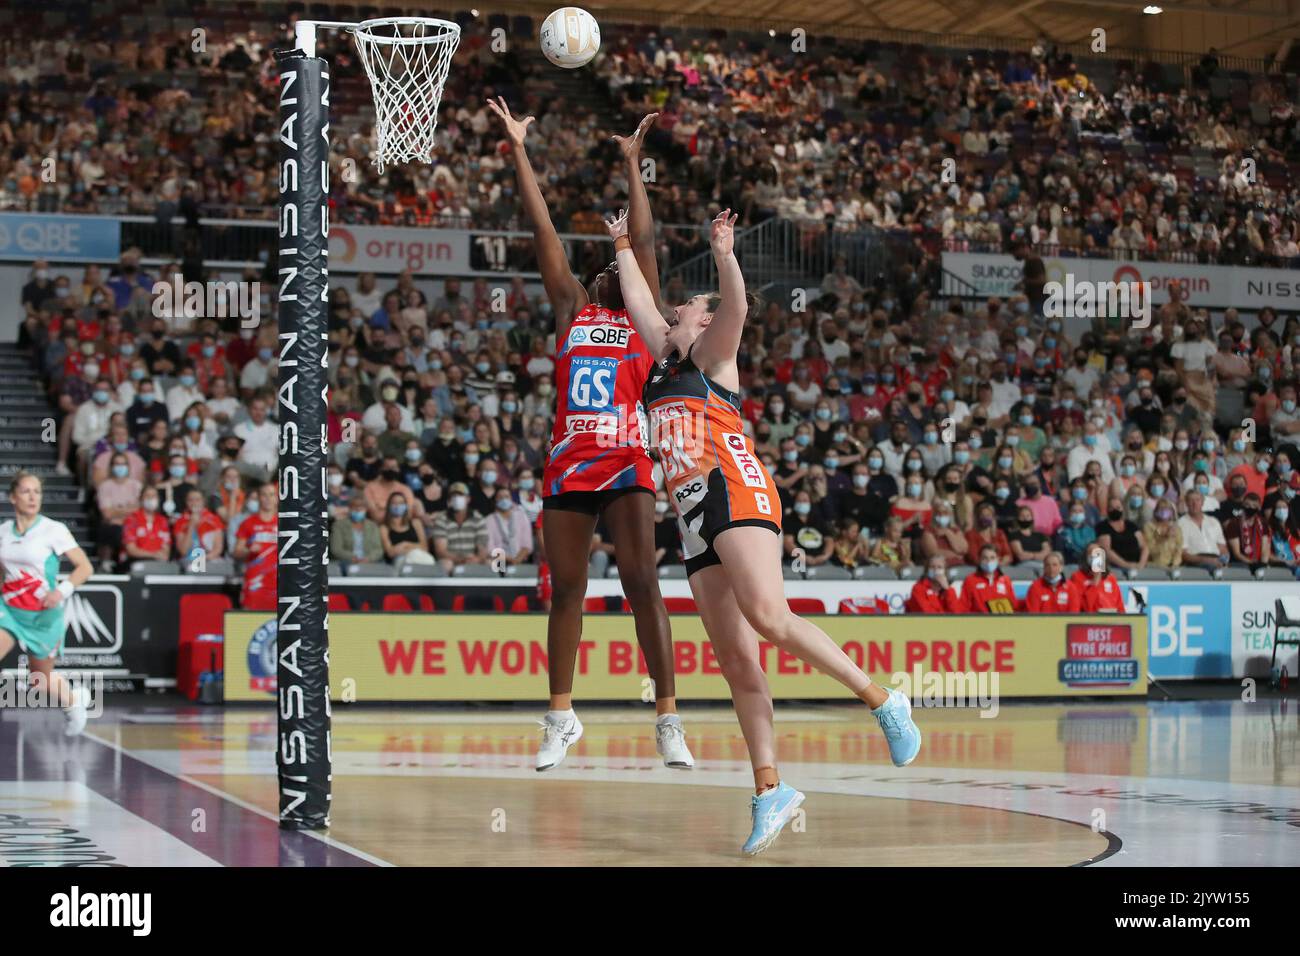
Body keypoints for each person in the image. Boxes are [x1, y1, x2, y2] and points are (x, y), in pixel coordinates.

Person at [607, 207, 920, 856]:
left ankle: (883, 699)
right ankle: (770, 789)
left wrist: (723, 254)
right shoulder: (662, 360)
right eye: (681, 309)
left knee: (770, 618)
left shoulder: (713, 356)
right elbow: (637, 297)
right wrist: (619, 241)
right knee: (738, 664)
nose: (679, 313)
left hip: (737, 490)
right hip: (696, 519)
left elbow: (738, 309)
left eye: (691, 309)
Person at [489, 99, 692, 771]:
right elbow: (541, 224)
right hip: (570, 463)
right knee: (566, 588)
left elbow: (648, 239)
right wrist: (519, 148)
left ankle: (667, 717)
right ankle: (560, 716)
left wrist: (635, 166)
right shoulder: (572, 305)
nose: (611, 268)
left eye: (619, 262)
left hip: (628, 458)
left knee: (641, 582)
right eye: (604, 263)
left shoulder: (643, 313)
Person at [0, 472, 96, 734]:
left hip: (42, 616)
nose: (33, 497)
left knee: (40, 680)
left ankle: (73, 702)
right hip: (8, 610)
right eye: (26, 491)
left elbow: (84, 567)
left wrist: (61, 592)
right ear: (12, 497)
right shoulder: (3, 533)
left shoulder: (54, 530)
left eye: (37, 492)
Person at [233, 482, 278, 610]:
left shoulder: (285, 524)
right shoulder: (248, 523)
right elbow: (237, 551)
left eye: (271, 494)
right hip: (255, 582)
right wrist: (248, 551)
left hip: (279, 582)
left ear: (277, 498)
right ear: (258, 498)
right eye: (264, 495)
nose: (268, 498)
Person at [957, 545, 1017, 613]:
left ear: (998, 559)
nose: (989, 561)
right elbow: (964, 607)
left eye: (992, 558)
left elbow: (1013, 605)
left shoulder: (1006, 580)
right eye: (985, 558)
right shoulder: (970, 580)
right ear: (979, 560)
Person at [1076, 542, 1126, 612]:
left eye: (1098, 553)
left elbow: (1120, 606)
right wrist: (1095, 581)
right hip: (1090, 620)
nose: (1095, 556)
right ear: (1086, 557)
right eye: (1091, 552)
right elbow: (1084, 608)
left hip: (1111, 620)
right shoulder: (1077, 577)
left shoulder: (1111, 578)